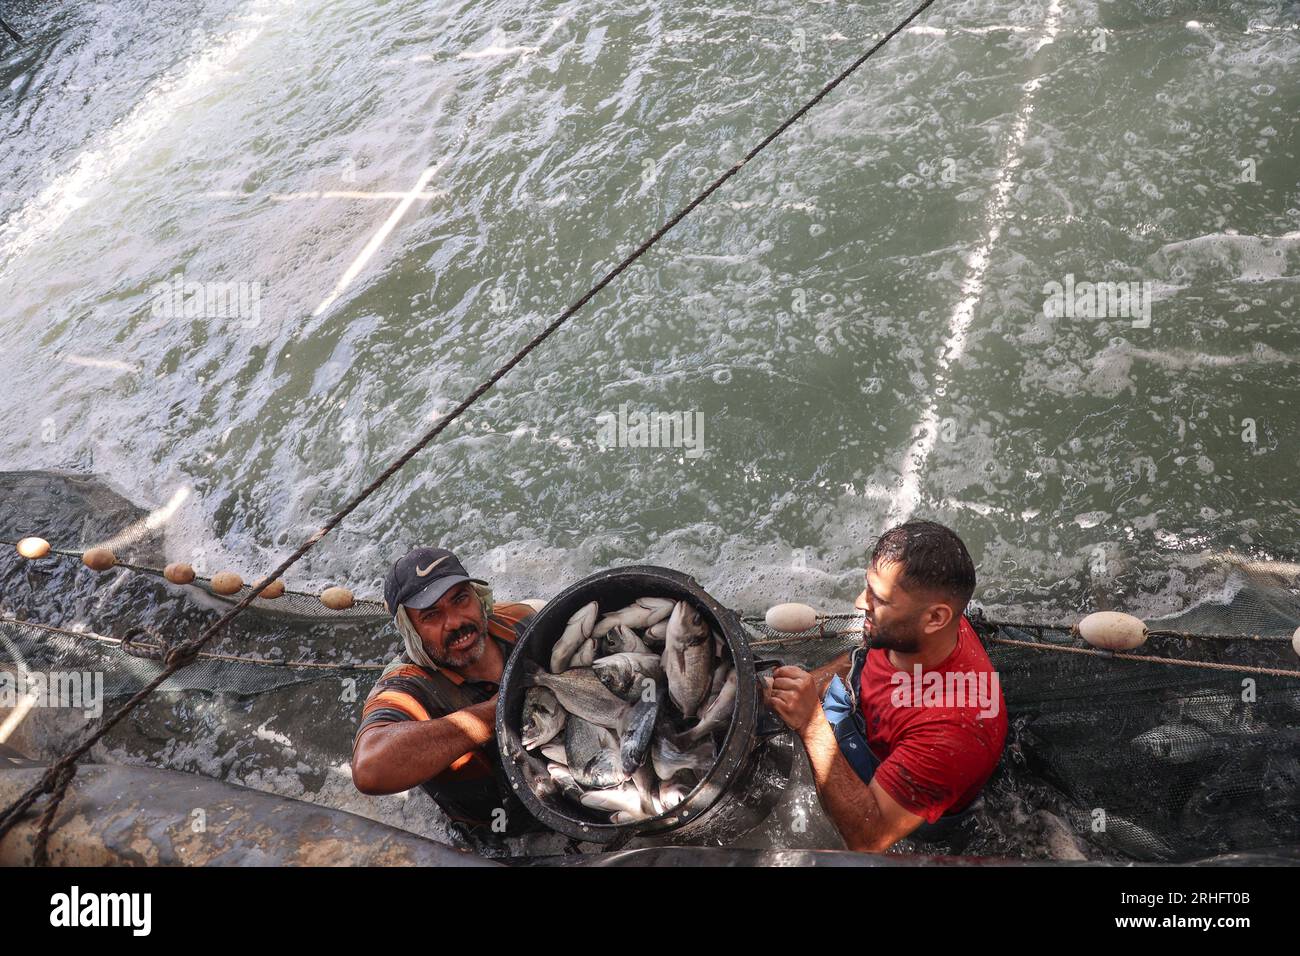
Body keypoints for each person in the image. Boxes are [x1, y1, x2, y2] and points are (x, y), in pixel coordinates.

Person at [763, 520, 1007, 853]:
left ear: (936, 618)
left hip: (903, 814)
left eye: (880, 599)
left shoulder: (954, 731)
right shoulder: (911, 630)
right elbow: (860, 658)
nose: (860, 603)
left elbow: (868, 839)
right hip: (870, 729)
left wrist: (810, 724)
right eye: (868, 587)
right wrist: (808, 684)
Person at [350, 546, 542, 840]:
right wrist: (495, 713)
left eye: (460, 599)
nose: (455, 622)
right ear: (410, 630)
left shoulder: (522, 620)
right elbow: (369, 769)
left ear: (479, 598)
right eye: (431, 616)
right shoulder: (406, 687)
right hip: (499, 836)